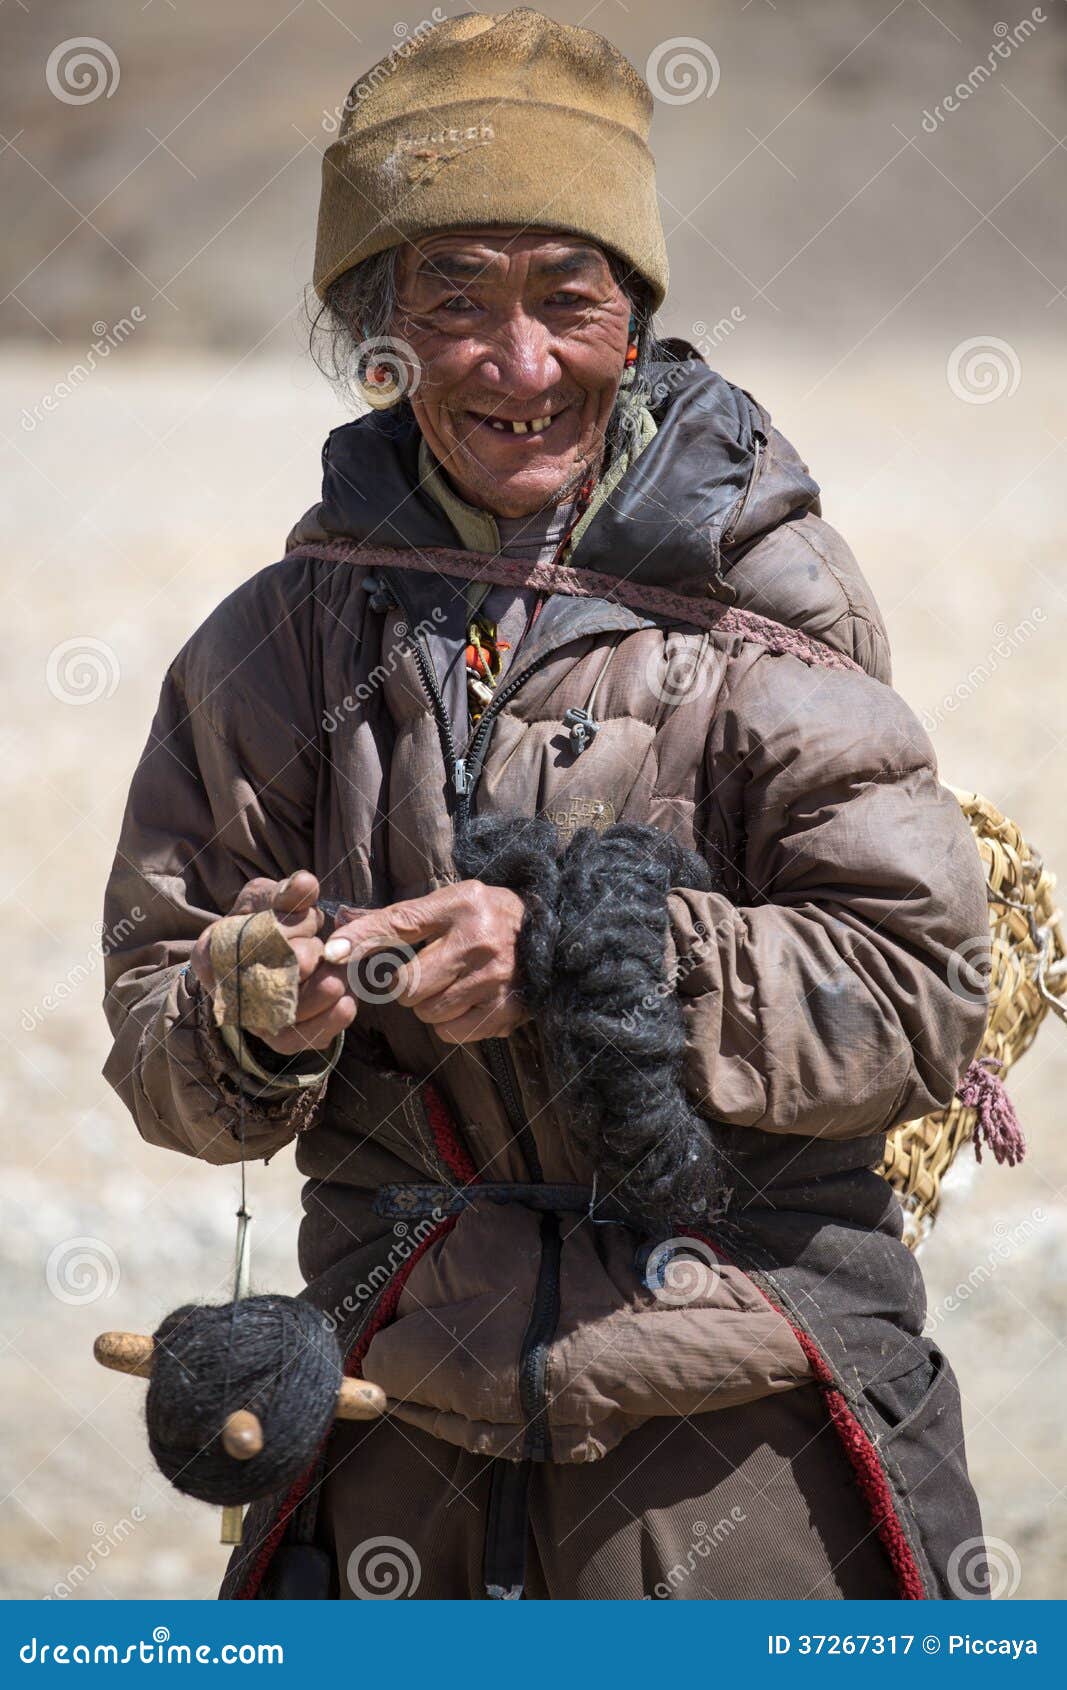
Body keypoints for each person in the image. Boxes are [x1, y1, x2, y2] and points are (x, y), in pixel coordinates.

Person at [102, 8, 990, 1600]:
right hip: (390, 1419)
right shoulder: (276, 648)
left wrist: (584, 957)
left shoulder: (765, 618)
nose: (522, 365)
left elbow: (920, 992)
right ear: (376, 334)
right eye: (456, 303)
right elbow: (161, 1037)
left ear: (634, 322)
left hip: (736, 1422)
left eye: (568, 302)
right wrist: (248, 1012)